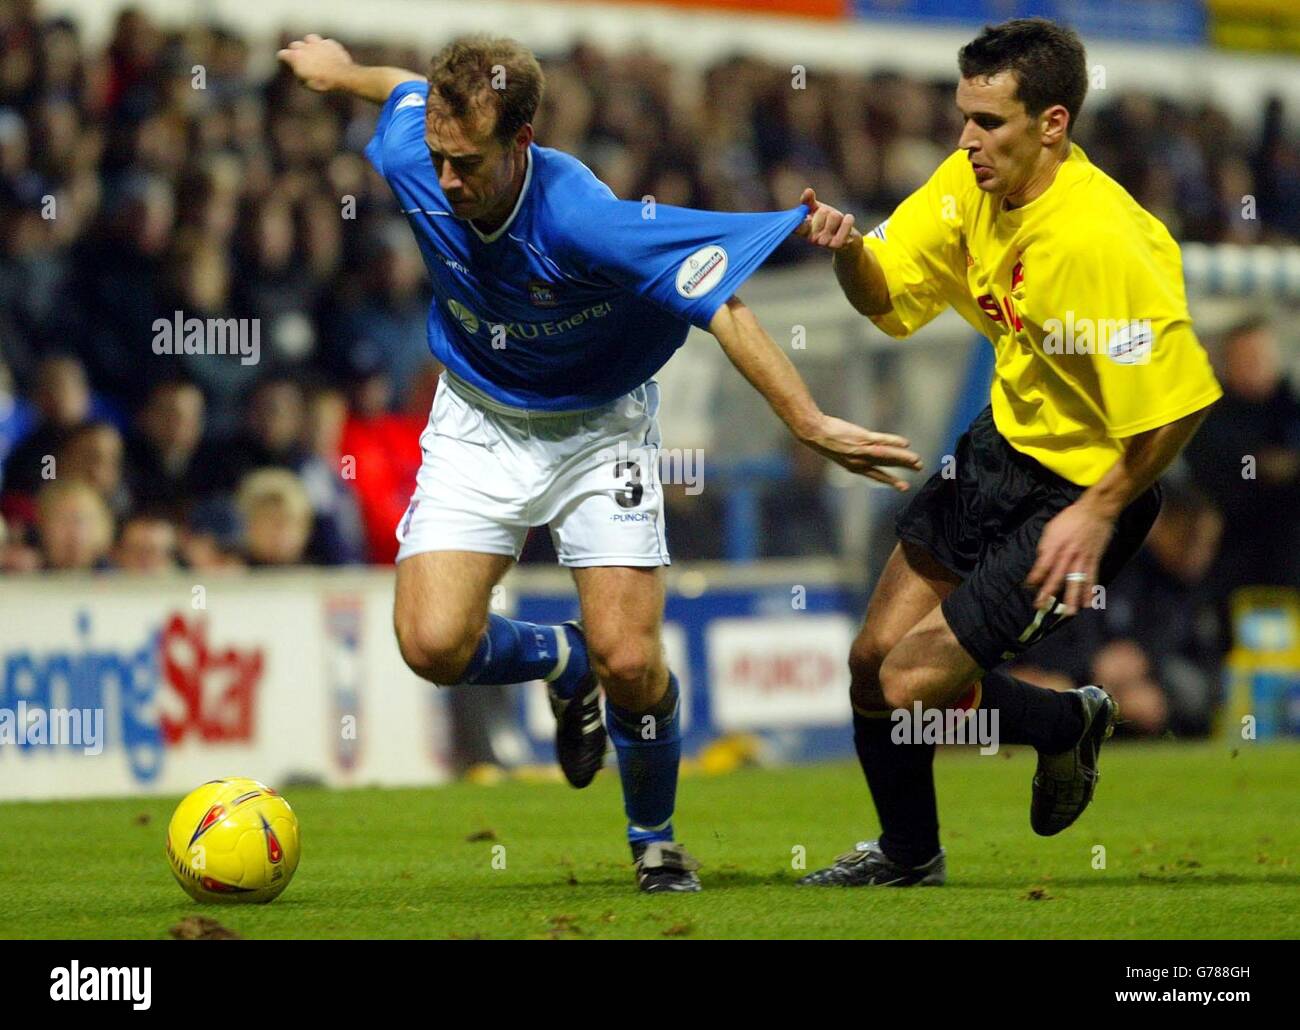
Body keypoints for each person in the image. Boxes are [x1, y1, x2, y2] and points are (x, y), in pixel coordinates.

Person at [278, 32, 920, 892]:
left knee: (630, 660)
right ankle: (560, 661)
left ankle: (654, 839)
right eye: (437, 155)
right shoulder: (416, 149)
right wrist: (338, 72)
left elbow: (720, 304)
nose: (446, 180)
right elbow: (399, 92)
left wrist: (805, 420)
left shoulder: (585, 218)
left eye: (466, 162)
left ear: (523, 143)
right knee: (431, 643)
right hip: (479, 416)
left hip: (599, 430)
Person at [795, 18, 1223, 886]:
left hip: (1082, 490)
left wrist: (1099, 511)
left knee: (913, 683)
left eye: (988, 122)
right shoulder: (968, 183)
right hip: (997, 453)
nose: (967, 139)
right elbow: (887, 293)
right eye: (964, 116)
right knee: (870, 666)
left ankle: (1065, 725)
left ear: (1053, 123)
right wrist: (845, 255)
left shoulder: (1104, 245)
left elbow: (1180, 404)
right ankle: (910, 856)